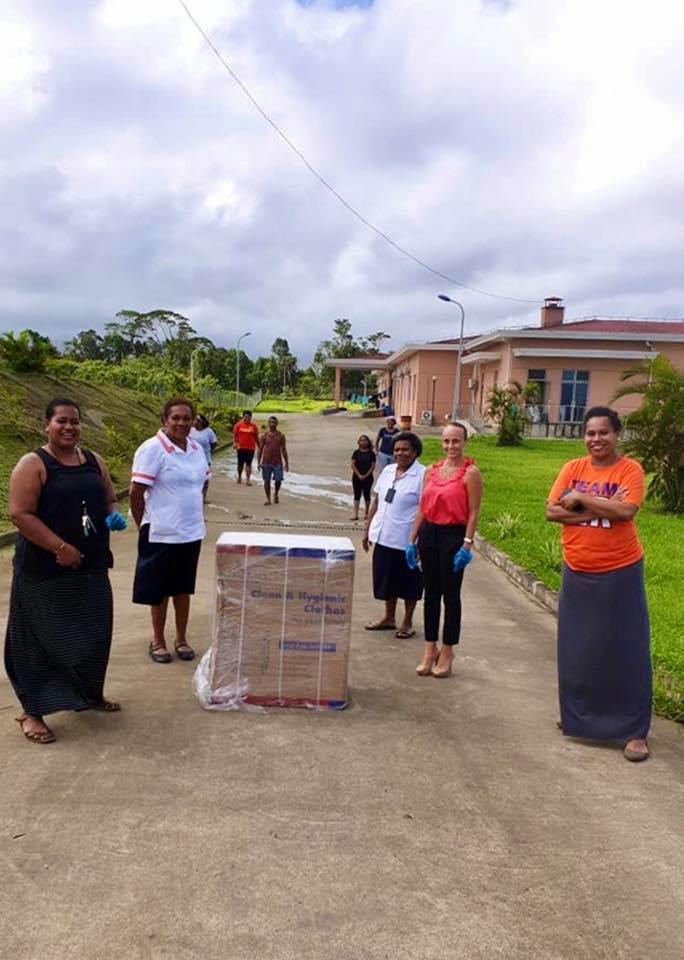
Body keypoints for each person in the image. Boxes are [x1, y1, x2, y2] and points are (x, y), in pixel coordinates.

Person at [5, 398, 127, 744]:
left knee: (94, 633)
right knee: (38, 642)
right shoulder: (33, 464)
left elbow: (108, 498)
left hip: (91, 566)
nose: (69, 427)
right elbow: (20, 514)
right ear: (46, 424)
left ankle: (89, 694)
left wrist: (112, 515)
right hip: (44, 571)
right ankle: (32, 713)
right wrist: (60, 548)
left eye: (74, 421)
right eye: (61, 421)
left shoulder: (93, 460)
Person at [546, 406, 651, 762]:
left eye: (603, 432)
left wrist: (580, 500)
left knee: (626, 649)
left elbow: (627, 511)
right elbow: (552, 512)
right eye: (590, 433)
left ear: (616, 434)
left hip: (620, 571)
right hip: (577, 570)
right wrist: (602, 507)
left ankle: (634, 732)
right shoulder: (572, 468)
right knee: (578, 649)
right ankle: (580, 719)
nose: (596, 439)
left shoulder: (630, 470)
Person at [130, 398, 209, 664]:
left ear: (193, 421)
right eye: (175, 418)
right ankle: (158, 641)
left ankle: (181, 639)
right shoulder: (152, 449)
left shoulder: (196, 449)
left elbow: (202, 483)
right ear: (165, 420)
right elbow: (136, 492)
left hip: (190, 532)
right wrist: (143, 524)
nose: (181, 423)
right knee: (160, 591)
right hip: (161, 533)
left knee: (183, 588)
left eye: (186, 418)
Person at [408, 423, 483, 678]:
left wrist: (467, 544)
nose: (451, 446)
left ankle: (448, 650)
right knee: (430, 594)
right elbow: (422, 507)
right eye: (447, 441)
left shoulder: (470, 473)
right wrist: (412, 540)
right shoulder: (431, 471)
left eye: (456, 441)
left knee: (451, 595)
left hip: (453, 535)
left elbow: (473, 512)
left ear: (465, 442)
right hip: (429, 533)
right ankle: (430, 649)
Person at [362, 432, 425, 639]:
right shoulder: (388, 471)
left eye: (405, 449)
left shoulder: (422, 475)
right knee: (386, 580)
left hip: (407, 540)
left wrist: (417, 541)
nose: (400, 453)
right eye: (397, 450)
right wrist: (367, 529)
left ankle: (407, 622)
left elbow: (425, 510)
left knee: (409, 583)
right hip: (383, 535)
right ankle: (389, 618)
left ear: (415, 451)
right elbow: (377, 501)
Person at [258, 416, 289, 506]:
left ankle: (276, 493)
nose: (272, 424)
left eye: (274, 422)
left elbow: (284, 449)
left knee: (278, 480)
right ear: (268, 423)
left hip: (277, 462)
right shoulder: (264, 436)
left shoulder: (281, 436)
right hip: (266, 462)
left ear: (277, 424)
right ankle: (268, 499)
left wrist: (287, 462)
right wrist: (258, 462)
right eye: (270, 422)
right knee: (266, 481)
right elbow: (260, 449)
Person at [190, 413, 218, 502]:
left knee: (204, 478)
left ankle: (203, 496)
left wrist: (209, 451)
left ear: (201, 422)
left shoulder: (208, 431)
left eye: (197, 420)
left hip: (205, 458)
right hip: (191, 458)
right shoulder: (190, 430)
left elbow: (214, 443)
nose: (195, 422)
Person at [350, 434, 376, 521]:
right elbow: (353, 465)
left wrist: (366, 475)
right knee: (357, 495)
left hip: (368, 477)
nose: (363, 442)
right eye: (361, 440)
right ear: (359, 442)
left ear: (368, 442)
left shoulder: (371, 454)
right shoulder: (356, 453)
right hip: (356, 477)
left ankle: (367, 513)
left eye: (365, 440)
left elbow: (373, 466)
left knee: (366, 495)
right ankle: (355, 514)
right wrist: (359, 475)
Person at [232, 410, 260, 485]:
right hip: (240, 447)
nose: (247, 418)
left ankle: (248, 480)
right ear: (243, 417)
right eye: (246, 417)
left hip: (250, 448)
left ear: (251, 417)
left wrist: (259, 446)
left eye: (249, 417)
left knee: (248, 463)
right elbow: (235, 435)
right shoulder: (238, 425)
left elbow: (256, 437)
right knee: (240, 463)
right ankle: (239, 477)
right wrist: (234, 443)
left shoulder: (254, 426)